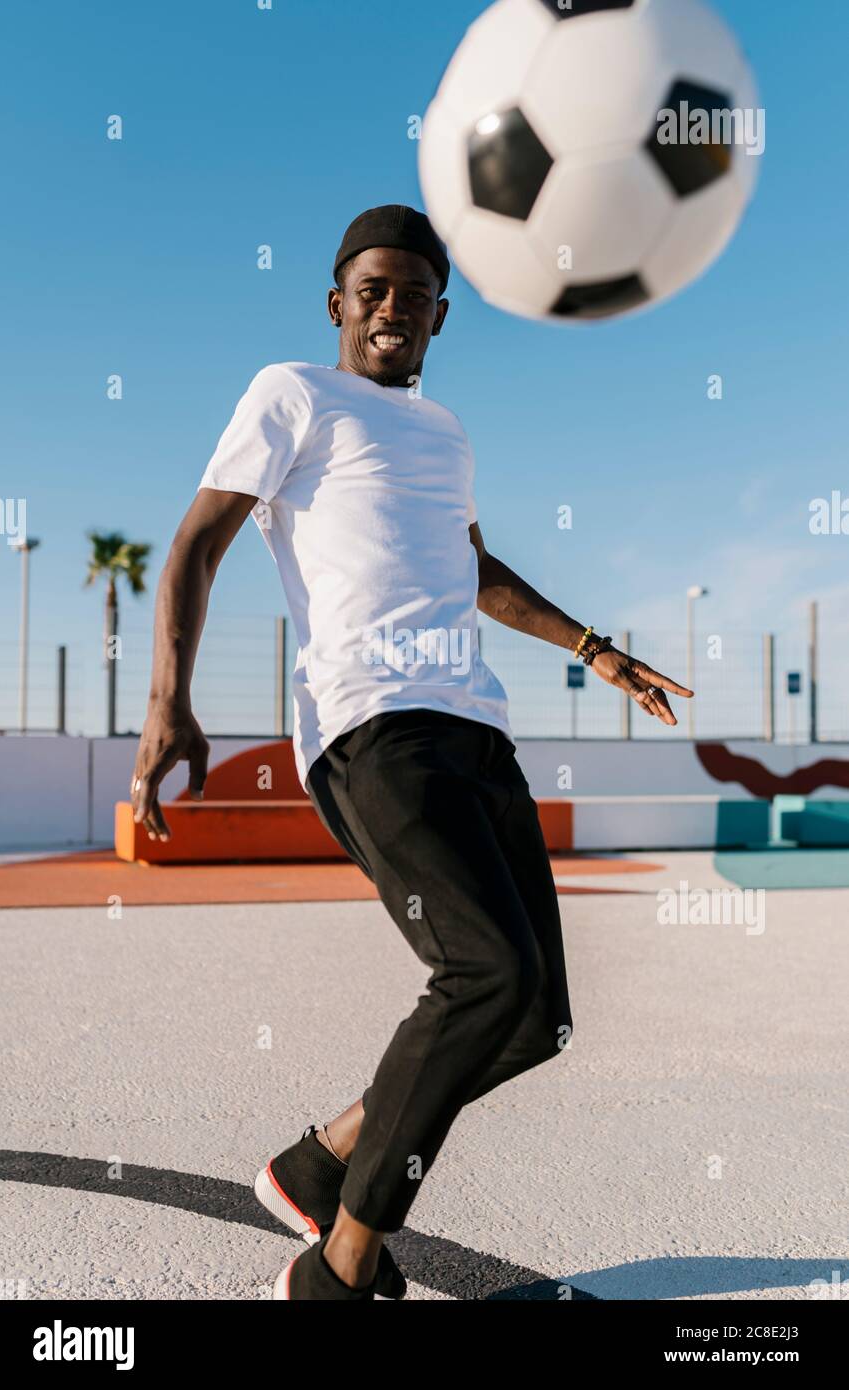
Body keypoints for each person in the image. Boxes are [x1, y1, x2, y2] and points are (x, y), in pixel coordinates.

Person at [130, 204, 693, 1301]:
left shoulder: (443, 432)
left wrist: (593, 647)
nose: (392, 307)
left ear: (443, 314)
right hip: (369, 726)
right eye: (371, 288)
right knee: (485, 972)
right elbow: (197, 539)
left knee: (536, 1018)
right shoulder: (290, 391)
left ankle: (318, 1160)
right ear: (336, 303)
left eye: (414, 292)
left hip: (472, 725)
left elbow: (470, 571)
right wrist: (169, 701)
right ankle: (337, 1263)